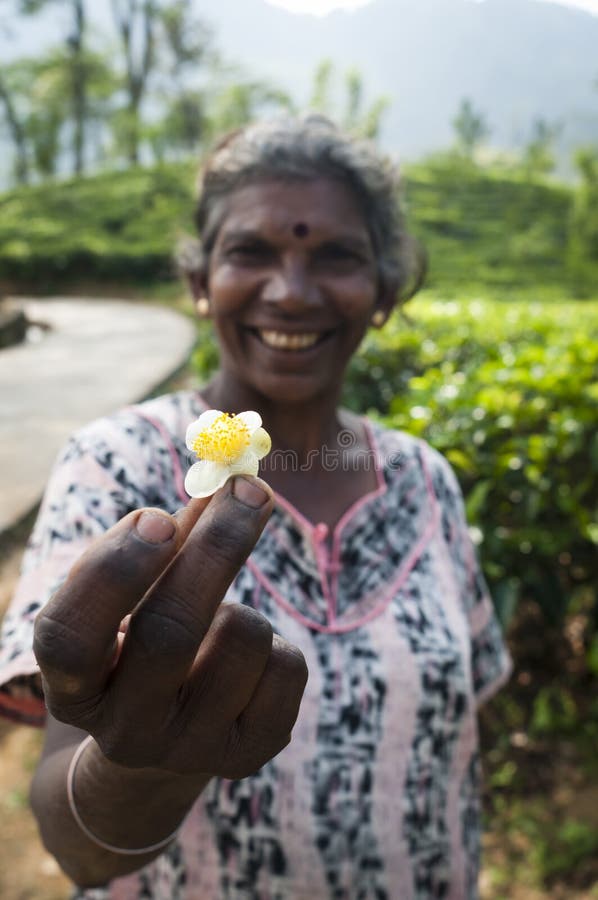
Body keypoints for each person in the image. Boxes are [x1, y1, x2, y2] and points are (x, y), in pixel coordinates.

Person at [0, 117, 511, 899]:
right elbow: (81, 852)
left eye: (336, 255)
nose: (292, 292)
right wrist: (141, 771)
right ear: (200, 281)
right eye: (251, 252)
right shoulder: (114, 464)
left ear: (383, 292)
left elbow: (462, 738)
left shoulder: (425, 481)